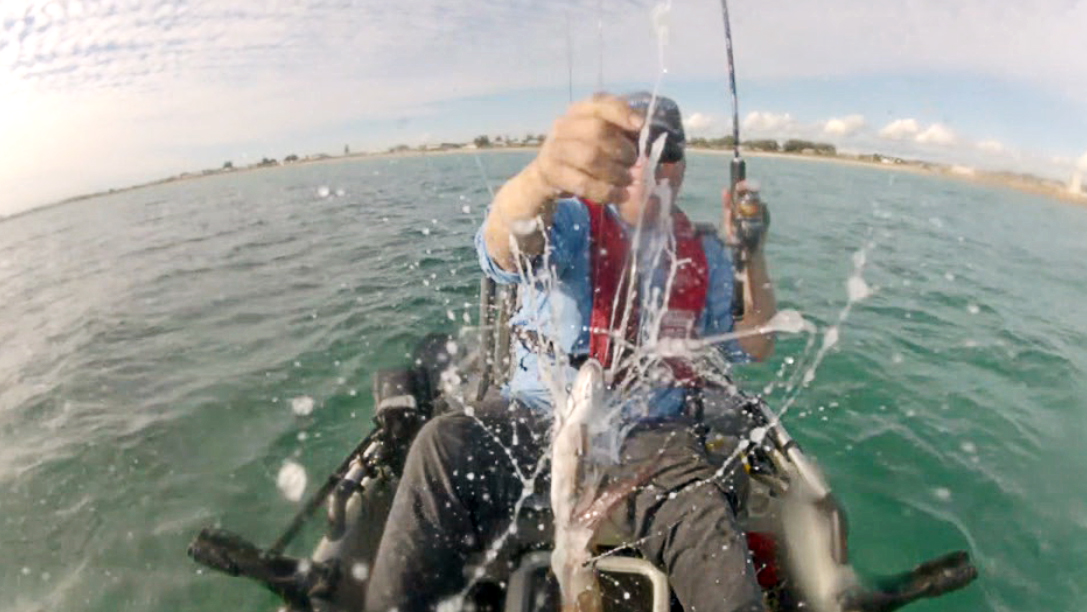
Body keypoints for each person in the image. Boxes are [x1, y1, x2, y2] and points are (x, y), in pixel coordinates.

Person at [365, 92, 778, 612]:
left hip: (652, 440)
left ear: (683, 167)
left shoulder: (706, 252)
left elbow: (756, 343)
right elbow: (502, 244)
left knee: (706, 521)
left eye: (666, 150)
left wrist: (755, 254)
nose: (650, 163)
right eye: (634, 145)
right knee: (441, 446)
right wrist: (541, 176)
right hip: (534, 417)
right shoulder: (572, 221)